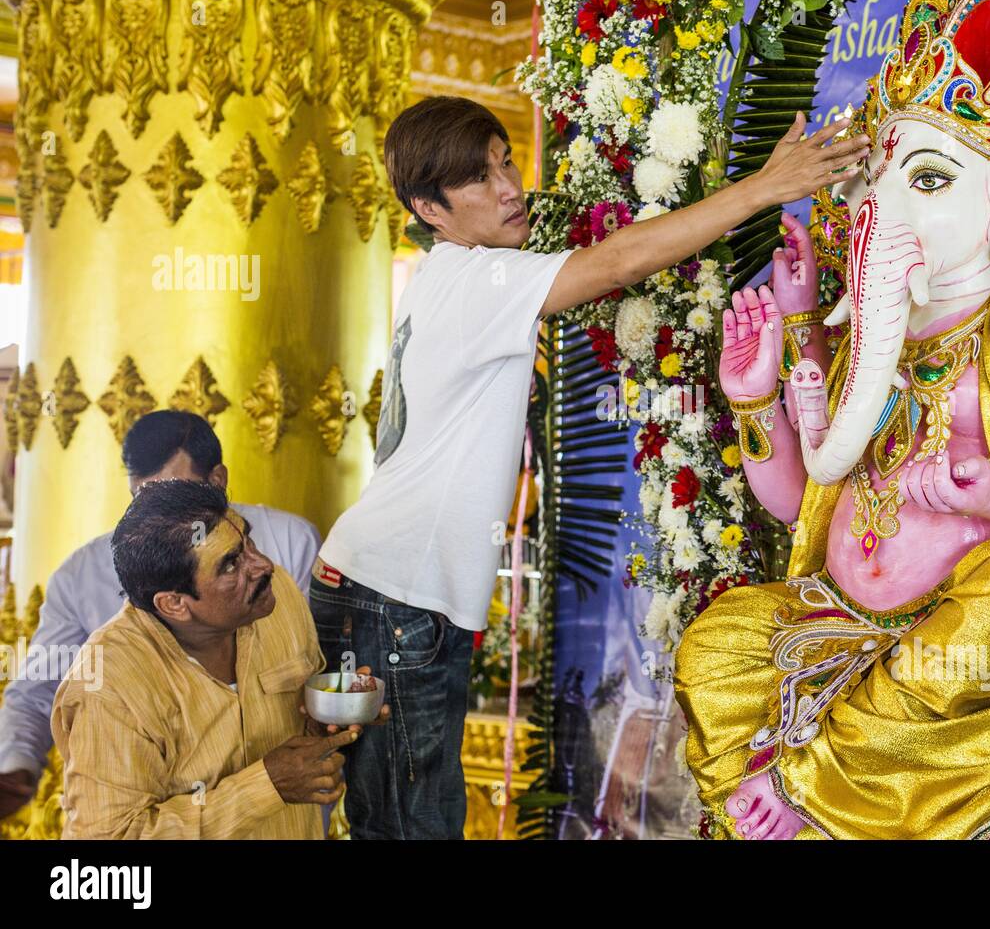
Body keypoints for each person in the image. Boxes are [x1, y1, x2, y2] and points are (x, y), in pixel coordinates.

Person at [311, 94, 869, 838]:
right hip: (396, 596)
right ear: (429, 208)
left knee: (399, 822)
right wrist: (764, 188)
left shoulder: (456, 278)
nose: (509, 188)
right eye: (479, 180)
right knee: (412, 827)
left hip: (385, 588)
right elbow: (617, 261)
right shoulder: (473, 280)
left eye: (505, 161)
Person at [0, 410, 321, 820]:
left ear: (216, 481)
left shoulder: (282, 558)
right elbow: (36, 692)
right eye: (141, 498)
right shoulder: (83, 584)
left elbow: (317, 674)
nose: (156, 514)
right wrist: (17, 765)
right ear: (170, 603)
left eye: (174, 495)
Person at [51, 480, 365, 838]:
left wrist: (330, 718)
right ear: (174, 604)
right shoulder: (110, 687)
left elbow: (301, 718)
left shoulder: (275, 601)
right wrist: (266, 786)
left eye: (249, 542)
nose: (263, 566)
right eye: (231, 564)